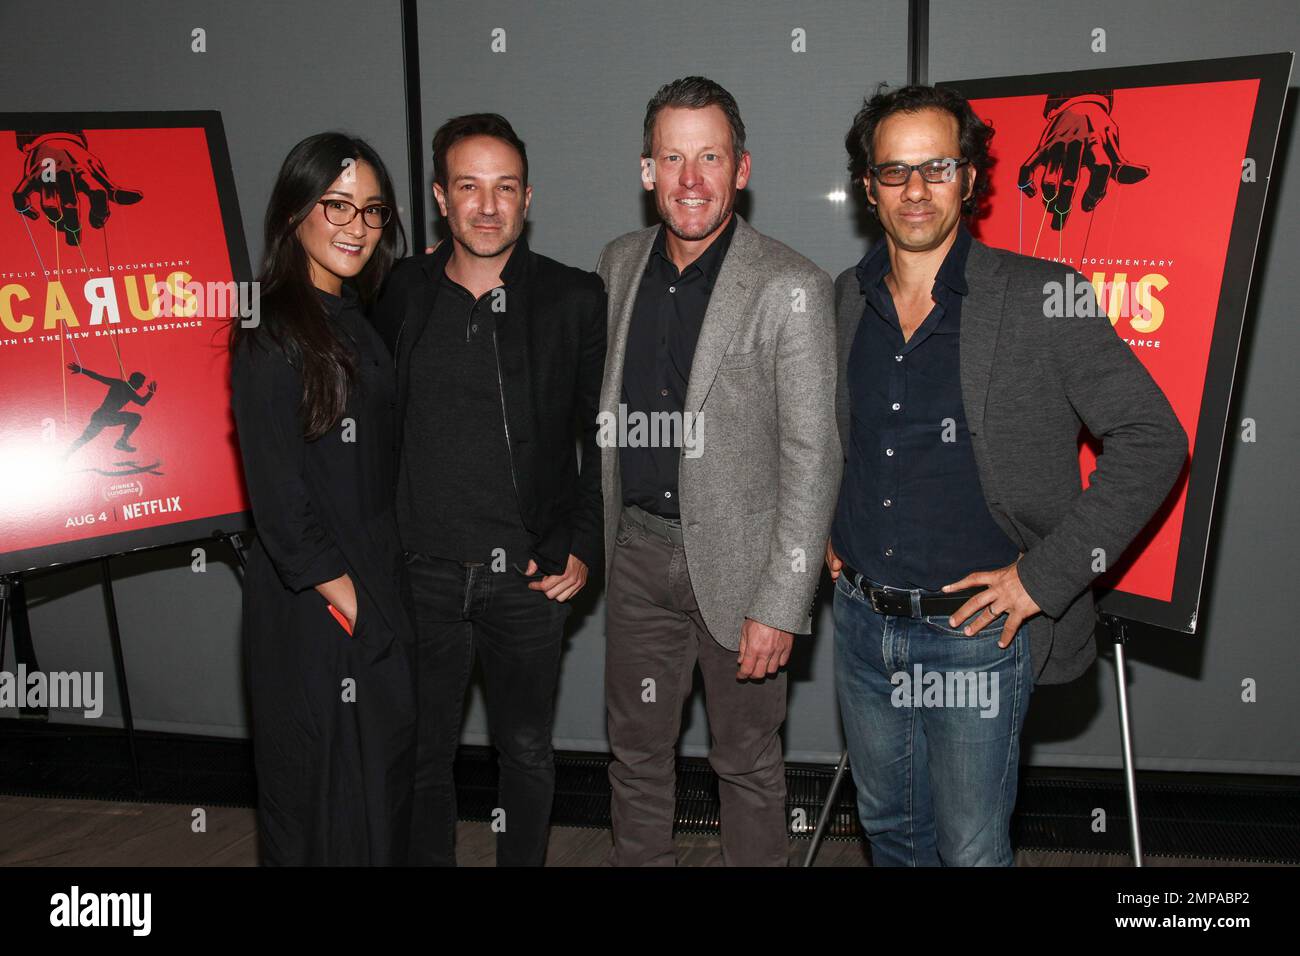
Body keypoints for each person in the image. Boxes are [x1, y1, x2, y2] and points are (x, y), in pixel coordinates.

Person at [826, 85, 1188, 866]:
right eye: (895, 171)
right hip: (861, 626)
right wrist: (834, 529)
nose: (916, 190)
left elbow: (1154, 439)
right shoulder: (844, 301)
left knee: (970, 850)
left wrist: (1042, 579)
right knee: (889, 832)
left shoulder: (1041, 297)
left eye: (938, 167)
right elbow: (843, 438)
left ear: (971, 179)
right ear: (868, 188)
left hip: (977, 636)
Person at [595, 77, 841, 866]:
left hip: (744, 575)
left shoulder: (792, 288)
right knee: (636, 759)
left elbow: (814, 458)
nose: (690, 178)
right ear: (646, 171)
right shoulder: (616, 265)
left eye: (710, 157)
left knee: (746, 766)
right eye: (673, 157)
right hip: (635, 557)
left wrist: (781, 600)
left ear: (742, 169)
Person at [372, 114, 606, 867]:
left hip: (527, 579)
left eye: (504, 187)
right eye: (468, 186)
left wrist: (582, 542)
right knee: (421, 755)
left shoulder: (572, 299)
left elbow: (608, 435)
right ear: (441, 197)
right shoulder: (398, 293)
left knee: (528, 755)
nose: (487, 205)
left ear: (527, 198)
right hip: (418, 574)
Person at [229, 132, 415, 865]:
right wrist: (357, 610)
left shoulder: (354, 321)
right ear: (293, 213)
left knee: (376, 804)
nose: (356, 227)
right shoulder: (270, 331)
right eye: (336, 205)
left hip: (372, 592)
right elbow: (280, 506)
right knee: (323, 810)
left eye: (372, 212)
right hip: (316, 610)